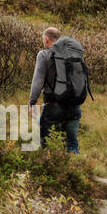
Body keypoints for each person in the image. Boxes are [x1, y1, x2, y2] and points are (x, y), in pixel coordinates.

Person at [27, 26, 86, 154]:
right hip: (74, 105)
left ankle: (50, 169)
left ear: (47, 40)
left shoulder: (44, 54)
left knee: (45, 143)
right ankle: (78, 170)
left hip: (53, 105)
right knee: (72, 143)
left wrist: (32, 102)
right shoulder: (73, 54)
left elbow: (38, 80)